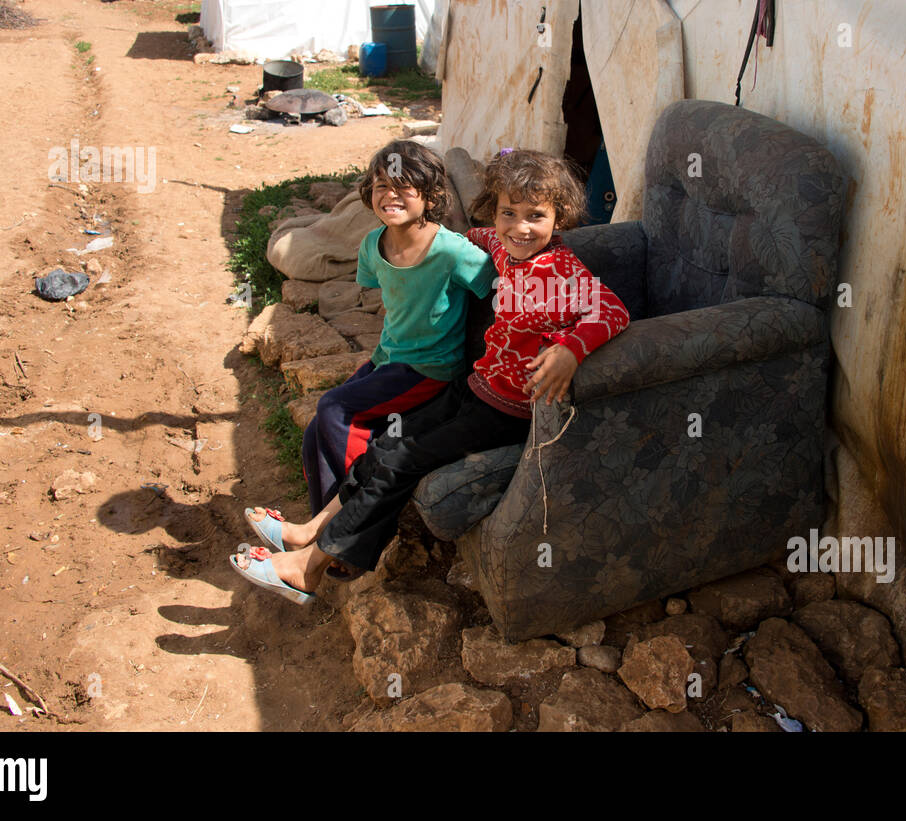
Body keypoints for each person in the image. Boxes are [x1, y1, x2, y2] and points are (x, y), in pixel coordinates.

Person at [231, 149, 631, 602]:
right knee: (384, 447)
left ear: (560, 218)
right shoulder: (502, 247)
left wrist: (570, 350)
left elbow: (613, 310)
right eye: (508, 213)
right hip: (475, 387)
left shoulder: (560, 270)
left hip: (509, 411)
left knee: (401, 460)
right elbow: (477, 237)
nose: (520, 227)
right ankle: (309, 532)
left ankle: (310, 567)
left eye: (535, 216)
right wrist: (460, 236)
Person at [240, 140, 496, 565]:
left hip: (429, 368)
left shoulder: (451, 251)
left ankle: (341, 535)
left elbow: (495, 289)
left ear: (431, 197)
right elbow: (388, 296)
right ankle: (318, 527)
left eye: (402, 186)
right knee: (316, 430)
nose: (388, 195)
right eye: (379, 186)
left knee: (337, 410)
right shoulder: (373, 245)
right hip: (387, 359)